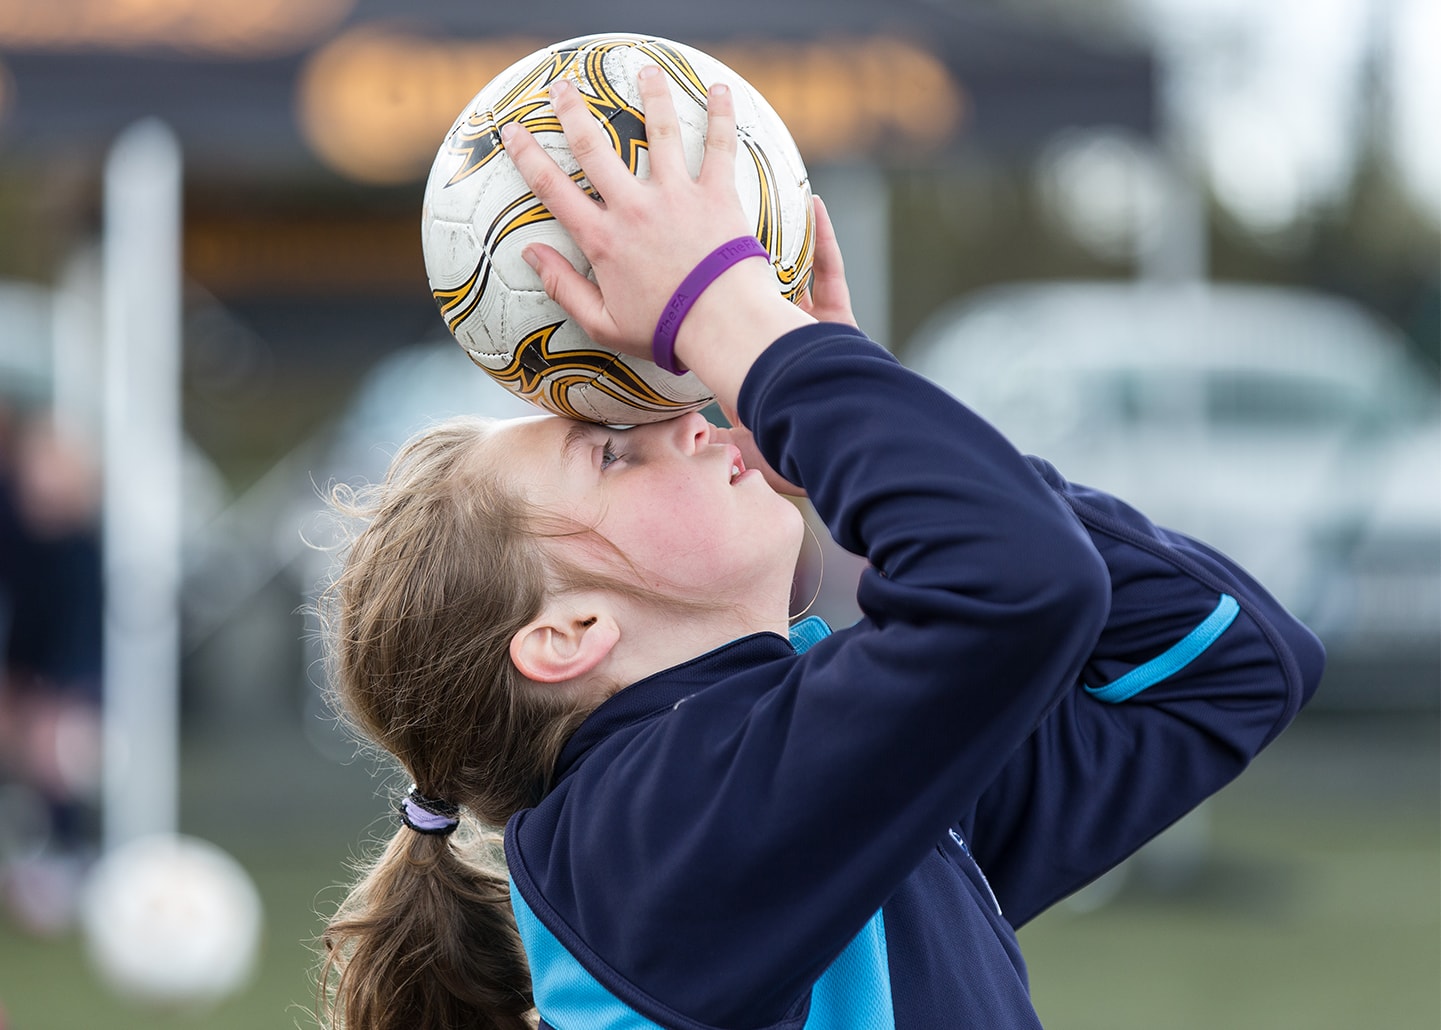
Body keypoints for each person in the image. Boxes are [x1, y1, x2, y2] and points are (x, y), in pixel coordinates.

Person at [315, 68, 1324, 1030]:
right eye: (616, 452)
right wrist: (748, 332)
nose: (694, 418)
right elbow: (1023, 584)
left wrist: (839, 396)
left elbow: (1226, 661)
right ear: (569, 632)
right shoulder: (638, 841)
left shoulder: (816, 771)